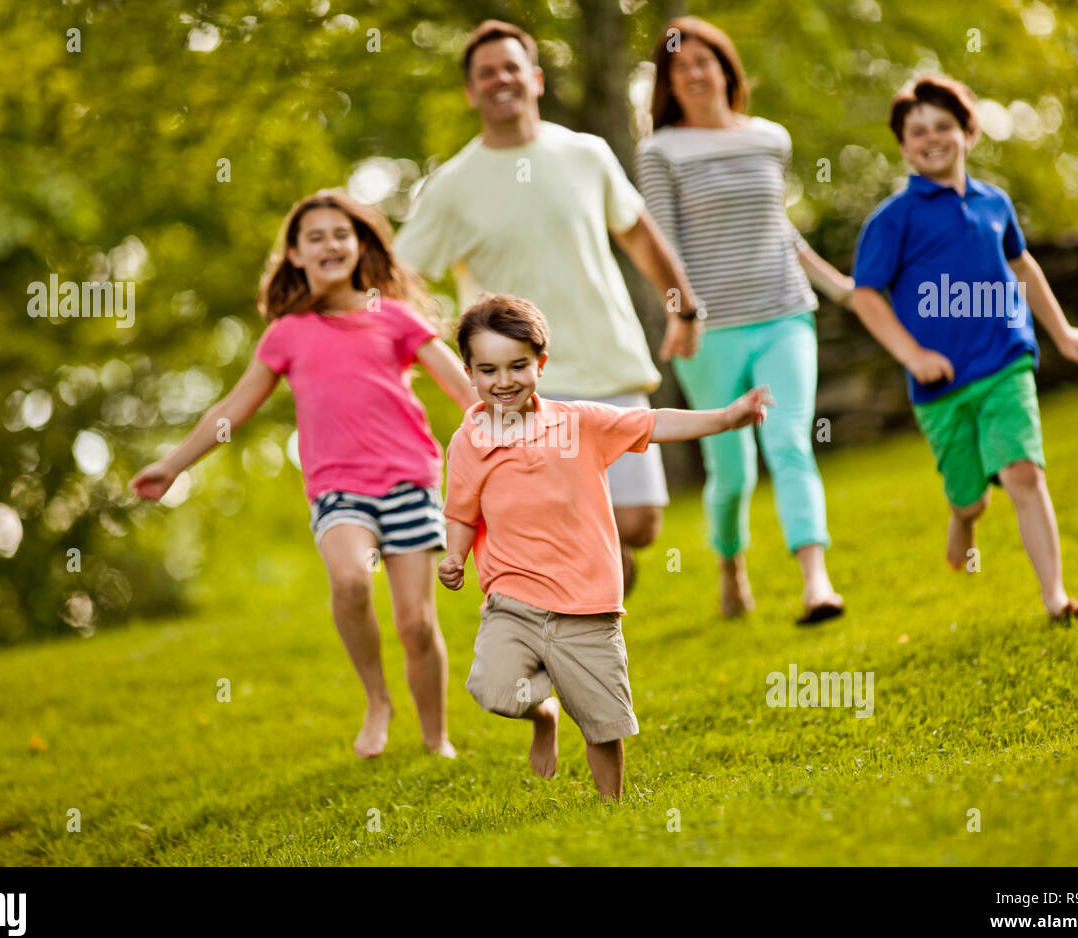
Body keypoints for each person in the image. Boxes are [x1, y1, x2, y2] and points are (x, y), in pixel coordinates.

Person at [130, 189, 479, 757]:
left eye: (341, 234)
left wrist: (514, 430)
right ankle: (377, 699)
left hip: (410, 481)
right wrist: (172, 466)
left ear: (359, 244)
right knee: (349, 581)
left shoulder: (393, 317)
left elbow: (462, 387)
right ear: (294, 254)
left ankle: (435, 737)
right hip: (338, 488)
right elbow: (228, 411)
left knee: (416, 624)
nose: (330, 245)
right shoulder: (287, 334)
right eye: (314, 237)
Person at [395, 19, 704, 595]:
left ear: (535, 78)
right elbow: (398, 279)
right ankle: (561, 631)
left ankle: (593, 576)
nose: (500, 80)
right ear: (471, 92)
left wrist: (683, 308)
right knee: (541, 527)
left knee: (639, 523)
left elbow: (638, 233)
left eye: (511, 67)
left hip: (606, 360)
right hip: (523, 383)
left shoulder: (585, 154)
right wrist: (436, 349)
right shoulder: (453, 186)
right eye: (486, 74)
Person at [437, 294, 773, 800]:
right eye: (488, 370)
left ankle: (610, 807)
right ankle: (542, 711)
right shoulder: (467, 443)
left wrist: (724, 418)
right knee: (495, 690)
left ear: (541, 364)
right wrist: (454, 556)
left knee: (603, 722)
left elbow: (653, 423)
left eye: (518, 366)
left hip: (587, 603)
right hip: (513, 600)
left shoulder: (578, 423)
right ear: (469, 373)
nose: (503, 381)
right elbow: (461, 511)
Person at [851, 76, 1078, 621]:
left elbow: (1023, 267)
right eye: (916, 130)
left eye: (943, 125)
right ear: (902, 146)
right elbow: (866, 297)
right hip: (939, 386)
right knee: (971, 495)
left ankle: (1056, 597)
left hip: (1004, 361)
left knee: (1023, 472)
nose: (931, 137)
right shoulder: (893, 220)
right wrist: (913, 356)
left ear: (968, 132)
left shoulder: (995, 203)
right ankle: (965, 517)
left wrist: (1064, 335)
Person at [635, 16, 850, 623]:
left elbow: (776, 228)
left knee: (788, 441)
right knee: (731, 470)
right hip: (712, 332)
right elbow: (662, 245)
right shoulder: (660, 150)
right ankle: (730, 564)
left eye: (705, 60)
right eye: (680, 66)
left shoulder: (769, 138)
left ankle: (816, 582)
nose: (695, 73)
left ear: (727, 68)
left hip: (783, 313)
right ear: (669, 84)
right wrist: (681, 314)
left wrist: (835, 285)